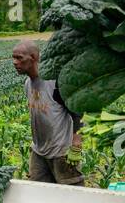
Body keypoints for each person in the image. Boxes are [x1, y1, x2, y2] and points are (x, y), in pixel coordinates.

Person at [12, 40, 85, 186]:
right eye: (13, 58)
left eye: (19, 58)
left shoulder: (54, 82)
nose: (15, 62)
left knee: (72, 194)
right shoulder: (28, 83)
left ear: (33, 58)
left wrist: (76, 139)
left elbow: (76, 110)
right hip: (39, 151)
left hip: (61, 151)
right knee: (40, 192)